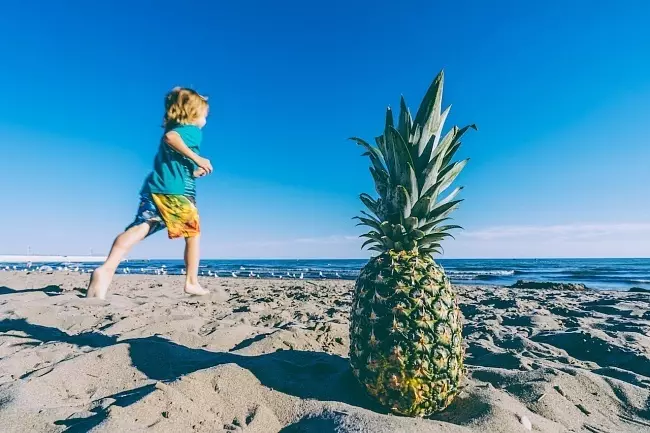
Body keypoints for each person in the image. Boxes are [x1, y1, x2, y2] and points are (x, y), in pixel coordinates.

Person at [87, 87, 213, 299]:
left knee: (141, 227)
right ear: (193, 113)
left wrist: (193, 170)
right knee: (193, 234)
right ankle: (192, 282)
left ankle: (106, 268)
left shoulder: (175, 129)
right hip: (177, 193)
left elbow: (174, 160)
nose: (205, 120)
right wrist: (198, 158)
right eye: (205, 115)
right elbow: (171, 139)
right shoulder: (191, 130)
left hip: (157, 188)